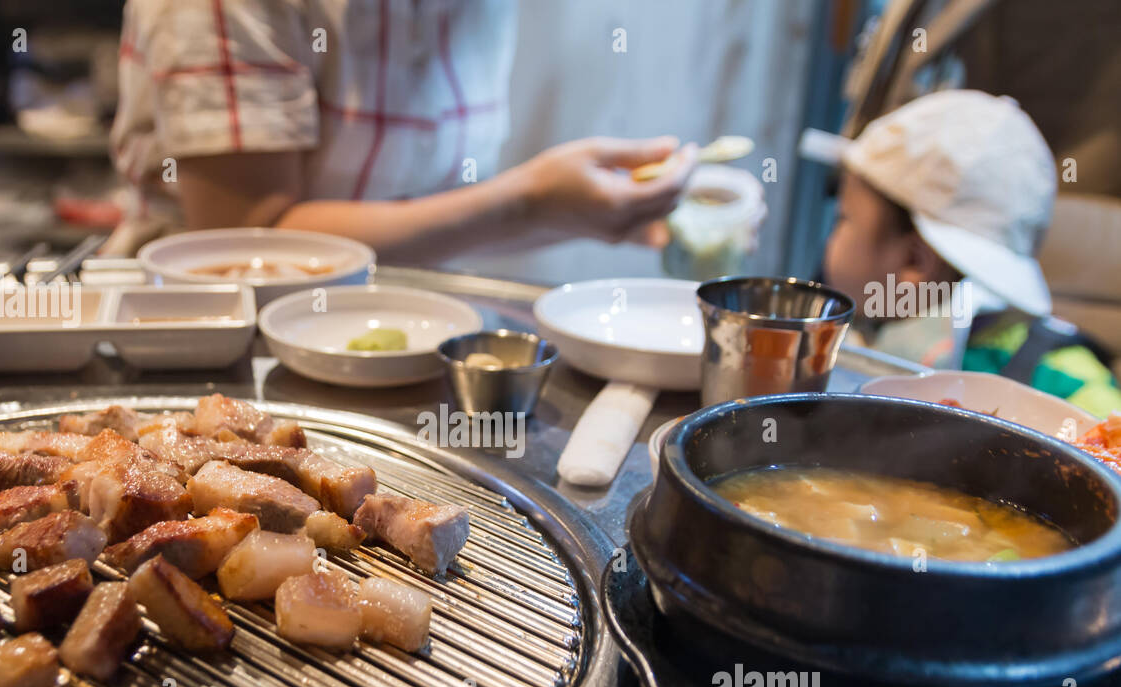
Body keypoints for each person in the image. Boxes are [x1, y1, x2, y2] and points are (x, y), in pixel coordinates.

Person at [106, 0, 695, 261]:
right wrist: (529, 202)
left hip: (399, 329)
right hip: (210, 345)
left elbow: (433, 219)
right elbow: (247, 236)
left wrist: (607, 211)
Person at [820, 89, 1121, 415]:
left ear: (913, 262)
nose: (830, 240)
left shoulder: (1068, 385)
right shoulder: (865, 337)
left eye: (842, 220)